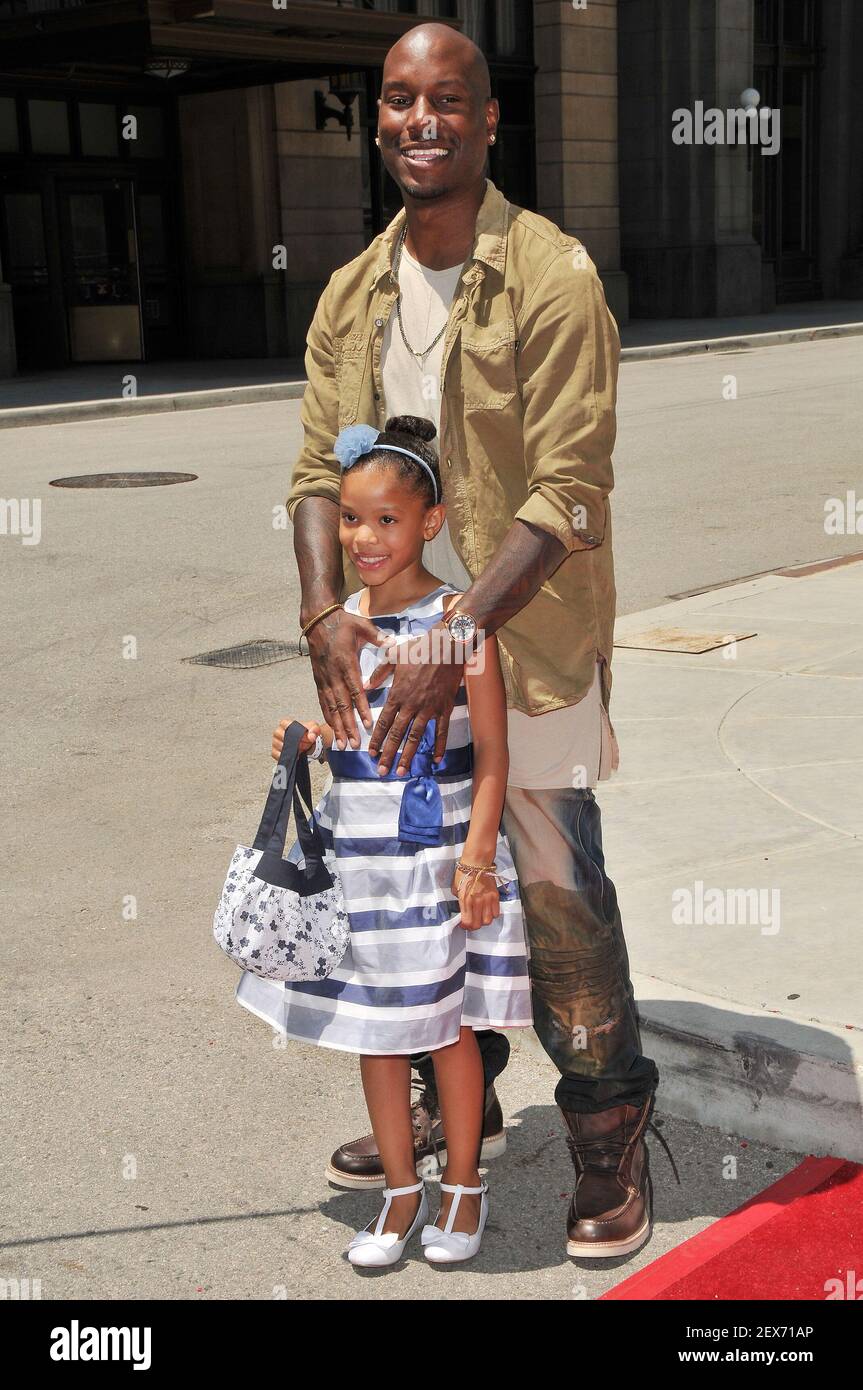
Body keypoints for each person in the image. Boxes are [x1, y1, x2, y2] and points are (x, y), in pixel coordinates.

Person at [285, 20, 663, 1259]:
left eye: (445, 100)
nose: (418, 121)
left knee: (551, 888)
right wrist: (321, 612)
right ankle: (465, 1101)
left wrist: (458, 633)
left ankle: (607, 1125)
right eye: (397, 100)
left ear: (487, 120)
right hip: (397, 659)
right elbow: (309, 472)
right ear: (378, 117)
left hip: (522, 639)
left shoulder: (550, 275)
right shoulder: (353, 293)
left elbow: (568, 489)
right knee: (422, 880)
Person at [247, 413, 533, 1268]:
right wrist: (304, 737)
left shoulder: (456, 620)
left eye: (386, 520)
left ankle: (464, 1186)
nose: (364, 539)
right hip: (357, 853)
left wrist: (478, 860)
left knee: (444, 1028)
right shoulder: (341, 622)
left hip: (437, 852)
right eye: (349, 519)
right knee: (374, 1030)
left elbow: (490, 754)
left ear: (430, 522)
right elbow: (359, 734)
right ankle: (400, 1193)